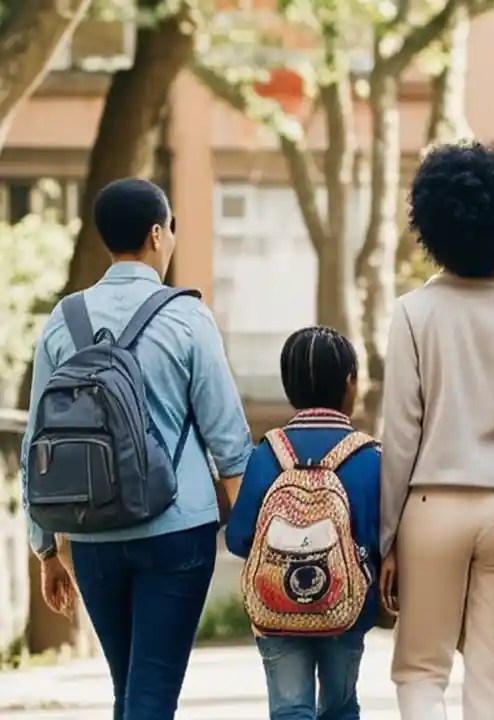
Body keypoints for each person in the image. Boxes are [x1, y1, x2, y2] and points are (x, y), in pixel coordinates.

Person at [22, 178, 253, 719]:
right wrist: (255, 543)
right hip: (177, 533)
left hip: (90, 531)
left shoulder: (64, 321)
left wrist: (46, 549)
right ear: (156, 234)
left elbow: (39, 441)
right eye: (170, 228)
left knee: (129, 688)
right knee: (150, 692)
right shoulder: (187, 317)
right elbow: (230, 446)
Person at [379, 140, 494, 720]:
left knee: (420, 670)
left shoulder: (414, 313)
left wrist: (386, 539)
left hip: (432, 506)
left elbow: (401, 434)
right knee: (493, 671)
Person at [225, 327, 380, 720]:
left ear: (288, 384)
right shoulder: (368, 457)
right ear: (350, 382)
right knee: (341, 708)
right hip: (346, 610)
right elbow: (383, 537)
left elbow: (239, 537)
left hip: (276, 611)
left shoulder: (267, 454)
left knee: (289, 709)